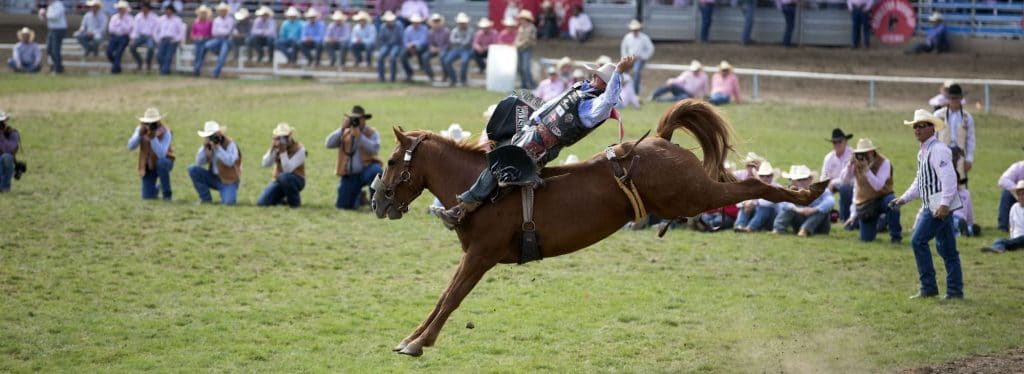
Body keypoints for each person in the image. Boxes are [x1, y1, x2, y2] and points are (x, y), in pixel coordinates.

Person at [431, 56, 636, 228]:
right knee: (498, 159)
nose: (593, 77)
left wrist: (617, 72)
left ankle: (461, 210)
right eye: (595, 74)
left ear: (604, 84)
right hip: (531, 132)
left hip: (541, 144)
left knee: (500, 165)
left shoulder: (596, 107)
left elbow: (609, 100)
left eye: (599, 77)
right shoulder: (582, 92)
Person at [891, 109, 962, 299]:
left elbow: (949, 179)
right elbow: (920, 181)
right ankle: (955, 291)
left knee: (918, 240)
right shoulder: (924, 151)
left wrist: (945, 204)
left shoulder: (938, 150)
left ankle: (929, 287)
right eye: (915, 126)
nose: (917, 129)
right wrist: (904, 198)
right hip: (936, 204)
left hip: (938, 205)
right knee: (947, 249)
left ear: (932, 128)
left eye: (922, 126)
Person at [934, 84, 977, 236]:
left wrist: (969, 159)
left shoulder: (967, 117)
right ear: (948, 99)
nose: (955, 101)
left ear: (961, 99)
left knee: (960, 186)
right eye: (952, 98)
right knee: (940, 185)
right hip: (943, 156)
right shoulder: (939, 115)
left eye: (957, 98)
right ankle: (949, 218)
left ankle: (962, 218)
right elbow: (934, 138)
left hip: (959, 156)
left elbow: (970, 140)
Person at [841, 138, 901, 242]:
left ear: (871, 151)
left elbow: (878, 186)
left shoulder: (884, 163)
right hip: (867, 204)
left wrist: (867, 170)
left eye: (865, 153)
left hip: (883, 198)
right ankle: (879, 222)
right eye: (860, 153)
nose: (862, 156)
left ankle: (896, 237)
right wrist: (849, 165)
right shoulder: (856, 165)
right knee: (866, 239)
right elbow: (845, 181)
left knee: (893, 203)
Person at [326, 105, 382, 210]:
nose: (355, 121)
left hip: (367, 170)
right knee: (343, 206)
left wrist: (360, 137)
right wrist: (341, 128)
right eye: (353, 118)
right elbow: (328, 144)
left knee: (376, 171)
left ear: (364, 119)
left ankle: (376, 202)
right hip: (350, 175)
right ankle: (359, 198)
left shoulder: (372, 132)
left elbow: (375, 149)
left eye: (358, 118)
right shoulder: (345, 132)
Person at [188, 121, 242, 205]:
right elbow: (199, 162)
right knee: (193, 169)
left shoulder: (230, 144)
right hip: (213, 177)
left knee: (229, 203)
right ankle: (205, 199)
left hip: (229, 180)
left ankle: (225, 195)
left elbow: (230, 162)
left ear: (219, 134)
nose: (211, 138)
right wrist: (204, 147)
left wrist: (218, 148)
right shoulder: (208, 145)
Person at [773, 165, 834, 237]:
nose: (802, 182)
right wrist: (798, 210)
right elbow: (783, 203)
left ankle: (805, 229)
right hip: (799, 221)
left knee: (823, 210)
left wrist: (814, 210)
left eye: (804, 179)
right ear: (793, 181)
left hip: (820, 226)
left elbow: (830, 201)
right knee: (789, 208)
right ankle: (778, 229)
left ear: (810, 179)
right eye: (799, 180)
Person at [127, 108, 174, 200]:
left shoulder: (166, 132)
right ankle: (155, 189)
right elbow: (130, 147)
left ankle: (167, 195)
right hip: (148, 165)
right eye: (148, 123)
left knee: (162, 162)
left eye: (152, 123)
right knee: (147, 197)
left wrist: (153, 138)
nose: (150, 125)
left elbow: (162, 154)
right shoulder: (140, 129)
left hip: (165, 162)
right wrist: (139, 135)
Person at [257, 123, 307, 207]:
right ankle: (282, 199)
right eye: (279, 137)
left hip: (296, 179)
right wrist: (271, 149)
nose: (283, 140)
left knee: (285, 177)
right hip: (279, 180)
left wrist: (283, 152)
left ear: (291, 135)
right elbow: (265, 164)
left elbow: (288, 169)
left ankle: (295, 203)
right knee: (262, 203)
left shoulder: (300, 149)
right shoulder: (277, 147)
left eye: (285, 137)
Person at [821, 128, 855, 223]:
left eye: (839, 142)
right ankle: (825, 216)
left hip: (851, 185)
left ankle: (844, 218)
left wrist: (833, 182)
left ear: (846, 141)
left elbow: (851, 179)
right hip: (832, 184)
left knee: (844, 188)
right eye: (834, 142)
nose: (837, 144)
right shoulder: (828, 158)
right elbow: (823, 176)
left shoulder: (853, 155)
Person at [735, 161, 780, 232]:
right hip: (757, 215)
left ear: (772, 176)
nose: (765, 178)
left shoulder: (777, 187)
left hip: (772, 220)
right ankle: (740, 226)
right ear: (758, 176)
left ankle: (750, 228)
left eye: (768, 176)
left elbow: (768, 202)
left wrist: (753, 203)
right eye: (762, 176)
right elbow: (739, 201)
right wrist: (745, 203)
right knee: (745, 205)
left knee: (765, 208)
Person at [194, 2, 234, 78]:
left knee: (221, 56)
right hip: (218, 39)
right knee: (206, 45)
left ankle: (215, 73)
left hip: (226, 40)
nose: (222, 12)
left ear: (226, 11)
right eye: (221, 10)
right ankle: (219, 52)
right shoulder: (216, 20)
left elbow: (228, 31)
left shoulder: (230, 19)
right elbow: (214, 32)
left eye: (224, 10)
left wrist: (220, 31)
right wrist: (223, 31)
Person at [982, 181, 1024, 253]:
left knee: (1001, 241)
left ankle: (999, 248)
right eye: (1020, 194)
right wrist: (1012, 238)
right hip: (1016, 238)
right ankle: (998, 249)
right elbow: (1012, 225)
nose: (1022, 197)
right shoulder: (1014, 207)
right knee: (1001, 241)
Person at [620, 20, 654, 96]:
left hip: (639, 59)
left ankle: (635, 93)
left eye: (636, 29)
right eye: (633, 29)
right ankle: (623, 92)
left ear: (639, 29)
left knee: (636, 71)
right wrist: (627, 58)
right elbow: (623, 48)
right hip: (629, 58)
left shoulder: (644, 38)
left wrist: (642, 56)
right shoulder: (627, 37)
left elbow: (650, 48)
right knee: (621, 71)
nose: (635, 31)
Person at [442, 12, 473, 87]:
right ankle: (453, 79)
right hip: (455, 49)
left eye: (463, 22)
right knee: (447, 61)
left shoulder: (470, 30)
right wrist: (460, 41)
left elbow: (467, 41)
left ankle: (463, 80)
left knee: (464, 61)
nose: (462, 24)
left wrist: (458, 41)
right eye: (461, 23)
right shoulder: (454, 30)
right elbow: (452, 40)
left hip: (466, 50)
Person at [38, 0, 67, 73]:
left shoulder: (58, 4)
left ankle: (57, 69)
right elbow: (44, 19)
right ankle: (59, 67)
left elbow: (56, 17)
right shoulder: (50, 6)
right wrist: (41, 15)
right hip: (52, 30)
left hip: (59, 30)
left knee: (55, 50)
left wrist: (45, 15)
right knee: (49, 49)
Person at [155, 5, 184, 75]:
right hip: (163, 40)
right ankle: (164, 70)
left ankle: (164, 72)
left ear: (172, 11)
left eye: (169, 10)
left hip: (172, 40)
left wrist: (176, 39)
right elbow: (156, 31)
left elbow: (181, 32)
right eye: (166, 10)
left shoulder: (177, 20)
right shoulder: (160, 19)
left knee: (168, 56)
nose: (167, 11)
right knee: (159, 55)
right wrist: (158, 39)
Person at [129, 2, 159, 71]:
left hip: (150, 36)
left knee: (151, 47)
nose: (144, 9)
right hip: (140, 36)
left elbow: (156, 30)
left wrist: (156, 39)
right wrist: (132, 38)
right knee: (132, 46)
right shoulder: (138, 17)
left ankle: (148, 63)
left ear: (149, 9)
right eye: (143, 8)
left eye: (145, 8)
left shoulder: (154, 17)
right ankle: (139, 62)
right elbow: (135, 29)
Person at [998, 155, 1024, 232]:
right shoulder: (1019, 167)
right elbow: (1003, 180)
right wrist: (1019, 191)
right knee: (1007, 193)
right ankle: (1003, 226)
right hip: (1018, 199)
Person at [399, 14, 428, 82]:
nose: (416, 23)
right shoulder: (408, 29)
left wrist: (413, 44)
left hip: (421, 47)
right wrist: (409, 46)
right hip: (410, 48)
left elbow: (423, 41)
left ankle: (422, 67)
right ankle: (409, 73)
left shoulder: (424, 29)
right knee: (402, 55)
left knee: (419, 49)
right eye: (414, 22)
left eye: (417, 22)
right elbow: (405, 41)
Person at [106, 1, 133, 74]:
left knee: (118, 52)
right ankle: (117, 67)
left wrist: (121, 22)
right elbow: (111, 29)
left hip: (124, 37)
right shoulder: (114, 17)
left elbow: (128, 29)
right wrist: (120, 25)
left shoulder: (129, 18)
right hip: (114, 36)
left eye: (122, 8)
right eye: (119, 8)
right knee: (109, 52)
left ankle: (114, 71)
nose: (120, 10)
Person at [377, 11, 404, 82]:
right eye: (388, 20)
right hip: (386, 45)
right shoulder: (383, 27)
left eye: (391, 20)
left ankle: (393, 78)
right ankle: (381, 78)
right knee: (380, 57)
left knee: (392, 57)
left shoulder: (399, 25)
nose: (390, 22)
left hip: (396, 45)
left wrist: (401, 48)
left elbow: (401, 39)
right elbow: (381, 39)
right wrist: (382, 47)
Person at [515, 10, 538, 89]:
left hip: (527, 49)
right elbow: (517, 37)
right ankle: (524, 84)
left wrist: (520, 43)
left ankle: (531, 84)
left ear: (525, 19)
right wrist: (517, 43)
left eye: (522, 19)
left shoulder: (532, 28)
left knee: (526, 67)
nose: (520, 20)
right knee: (520, 67)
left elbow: (530, 39)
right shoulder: (520, 28)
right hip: (519, 49)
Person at [0, 111, 22, 193]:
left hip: (3, 161)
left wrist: (1, 135)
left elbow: (9, 149)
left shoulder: (12, 133)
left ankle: (4, 187)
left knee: (6, 157)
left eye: (2, 122)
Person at [423, 13, 449, 83]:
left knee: (442, 57)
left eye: (437, 21)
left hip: (444, 49)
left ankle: (445, 75)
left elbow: (447, 44)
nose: (436, 23)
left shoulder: (446, 31)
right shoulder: (430, 32)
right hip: (434, 50)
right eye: (435, 21)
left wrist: (439, 49)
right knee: (425, 57)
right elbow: (429, 43)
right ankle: (430, 76)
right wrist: (432, 48)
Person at [189, 5, 213, 71]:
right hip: (197, 40)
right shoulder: (196, 22)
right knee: (199, 52)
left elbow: (211, 33)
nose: (203, 14)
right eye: (202, 12)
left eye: (204, 13)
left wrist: (205, 37)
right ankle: (196, 68)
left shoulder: (210, 22)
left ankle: (196, 69)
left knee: (200, 52)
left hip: (206, 40)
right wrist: (195, 37)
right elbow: (192, 33)